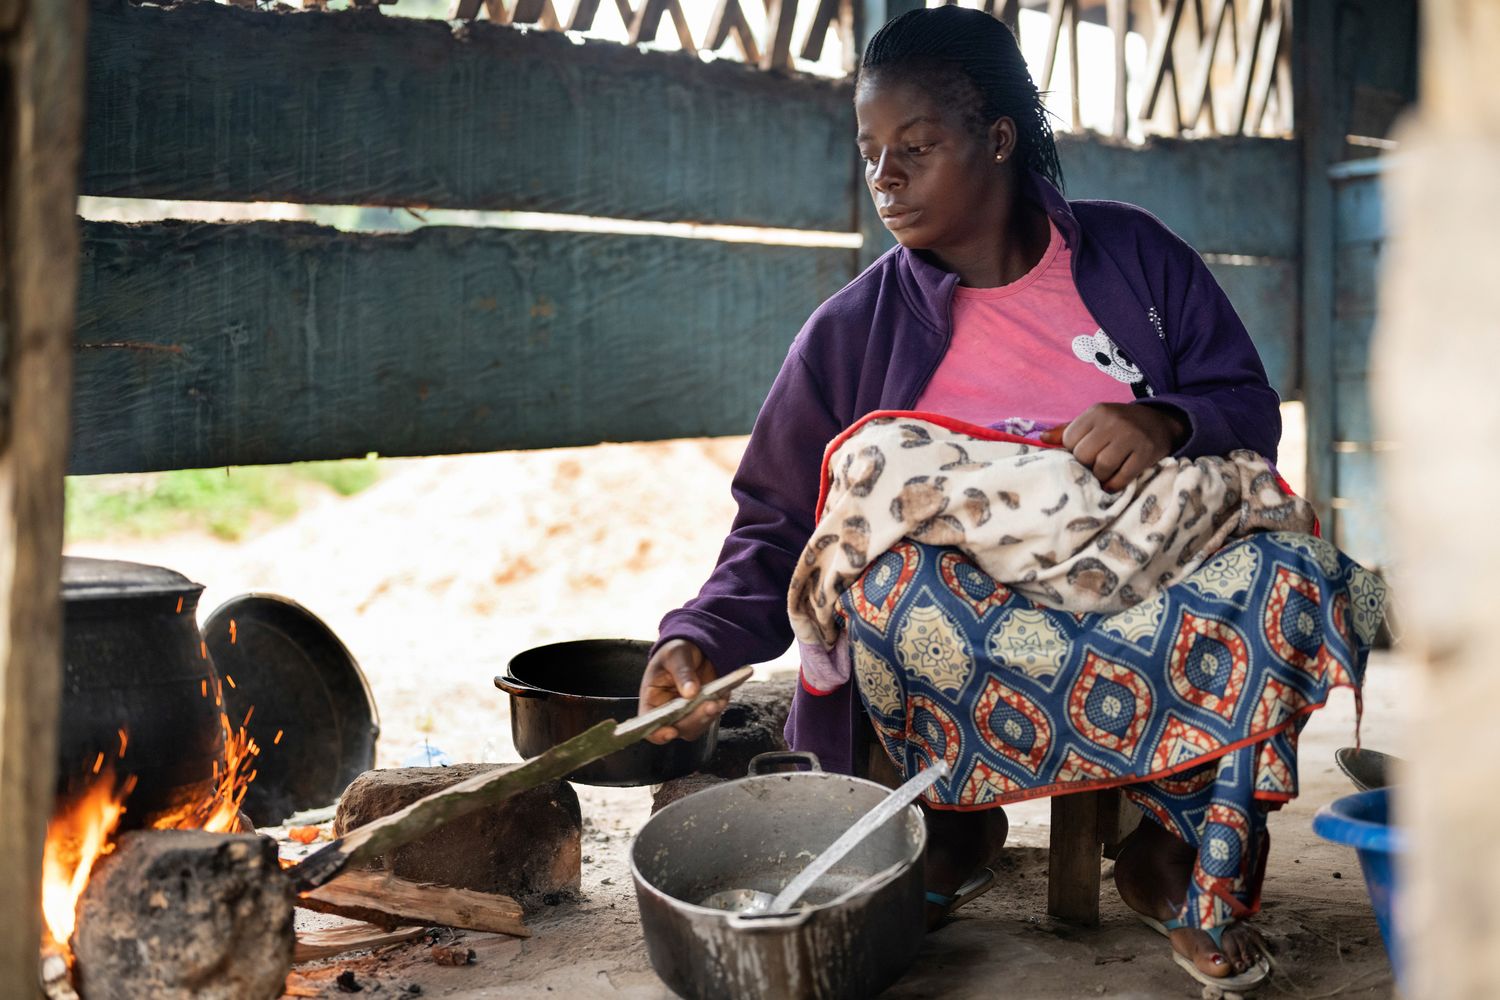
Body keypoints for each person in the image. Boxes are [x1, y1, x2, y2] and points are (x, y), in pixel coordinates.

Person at [637, 6, 1382, 990]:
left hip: (1137, 585)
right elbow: (785, 520)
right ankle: (949, 823)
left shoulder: (1132, 258)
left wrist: (1164, 421)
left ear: (998, 140)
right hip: (974, 620)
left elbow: (1244, 406)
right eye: (870, 152)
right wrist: (699, 638)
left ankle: (1175, 843)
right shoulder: (850, 331)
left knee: (1283, 568)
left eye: (917, 145)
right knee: (889, 578)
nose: (885, 177)